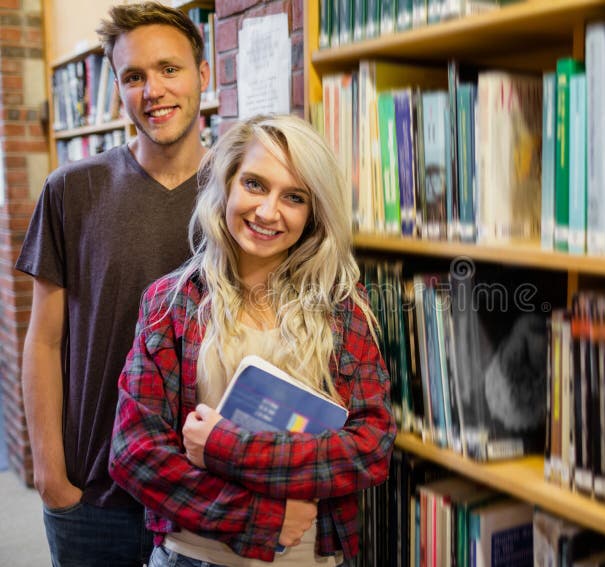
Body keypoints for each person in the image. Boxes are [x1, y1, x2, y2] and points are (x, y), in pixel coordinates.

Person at [108, 114, 397, 566]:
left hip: (309, 558)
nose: (267, 212)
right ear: (227, 184)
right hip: (192, 556)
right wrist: (259, 519)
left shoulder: (342, 307)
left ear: (314, 212)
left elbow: (371, 448)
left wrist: (226, 447)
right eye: (255, 185)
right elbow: (134, 453)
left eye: (294, 197)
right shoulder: (171, 302)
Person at [15, 3, 210, 565]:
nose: (153, 90)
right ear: (119, 88)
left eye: (169, 69)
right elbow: (44, 339)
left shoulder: (240, 199)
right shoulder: (71, 190)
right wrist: (51, 474)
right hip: (93, 499)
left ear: (202, 75)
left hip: (203, 499)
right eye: (133, 77)